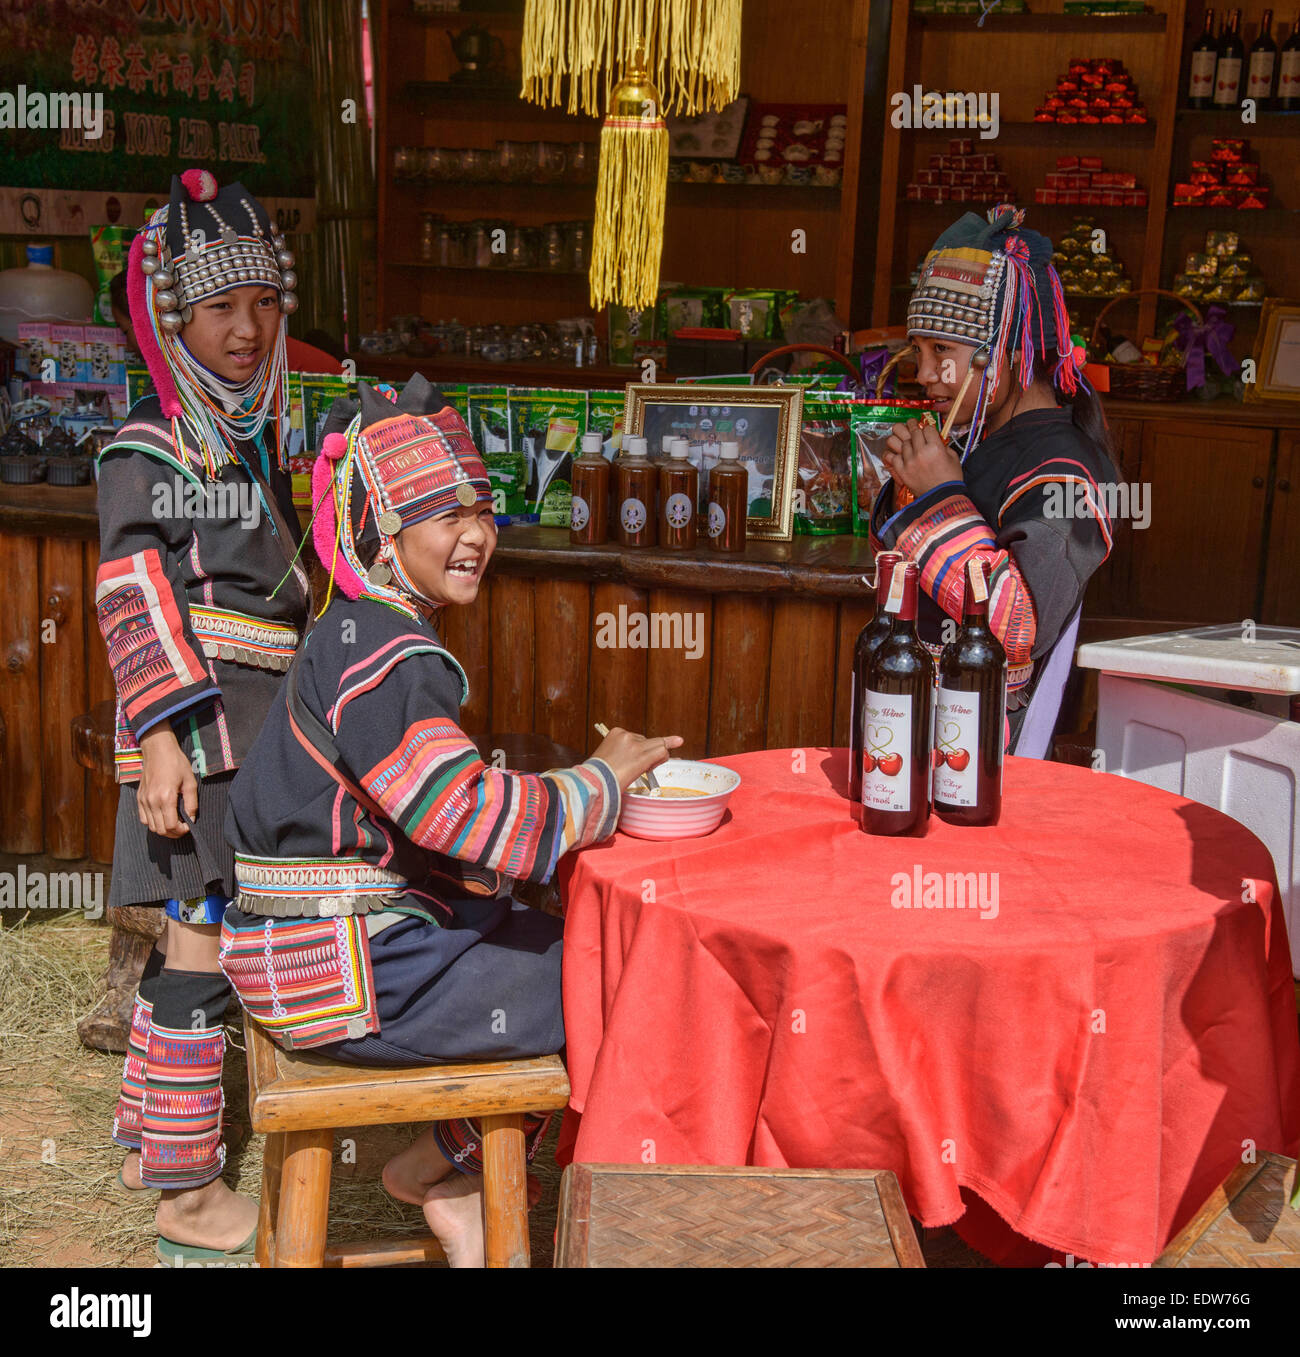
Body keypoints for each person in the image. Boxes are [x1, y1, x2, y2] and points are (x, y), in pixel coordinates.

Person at [220, 375, 680, 1267]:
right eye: (444, 515)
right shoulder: (389, 655)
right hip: (350, 975)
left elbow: (420, 801)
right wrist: (600, 785)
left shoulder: (358, 628)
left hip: (321, 953)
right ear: (385, 536)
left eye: (483, 512)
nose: (475, 535)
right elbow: (452, 808)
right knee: (611, 975)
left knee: (556, 936)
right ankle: (450, 1169)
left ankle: (451, 1168)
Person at [97, 169, 309, 1265]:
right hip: (201, 743)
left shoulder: (245, 436)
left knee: (201, 937)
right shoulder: (152, 445)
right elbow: (133, 590)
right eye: (219, 309)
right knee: (200, 948)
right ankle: (186, 1191)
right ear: (171, 318)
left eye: (263, 304)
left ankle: (149, 1143)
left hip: (247, 731)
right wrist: (164, 743)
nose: (246, 329)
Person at [870, 204, 1119, 753]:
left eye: (943, 351)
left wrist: (938, 499)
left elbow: (1017, 632)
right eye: (918, 350)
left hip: (985, 757)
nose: (925, 374)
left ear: (1003, 353)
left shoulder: (1066, 472)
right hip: (917, 735)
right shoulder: (976, 441)